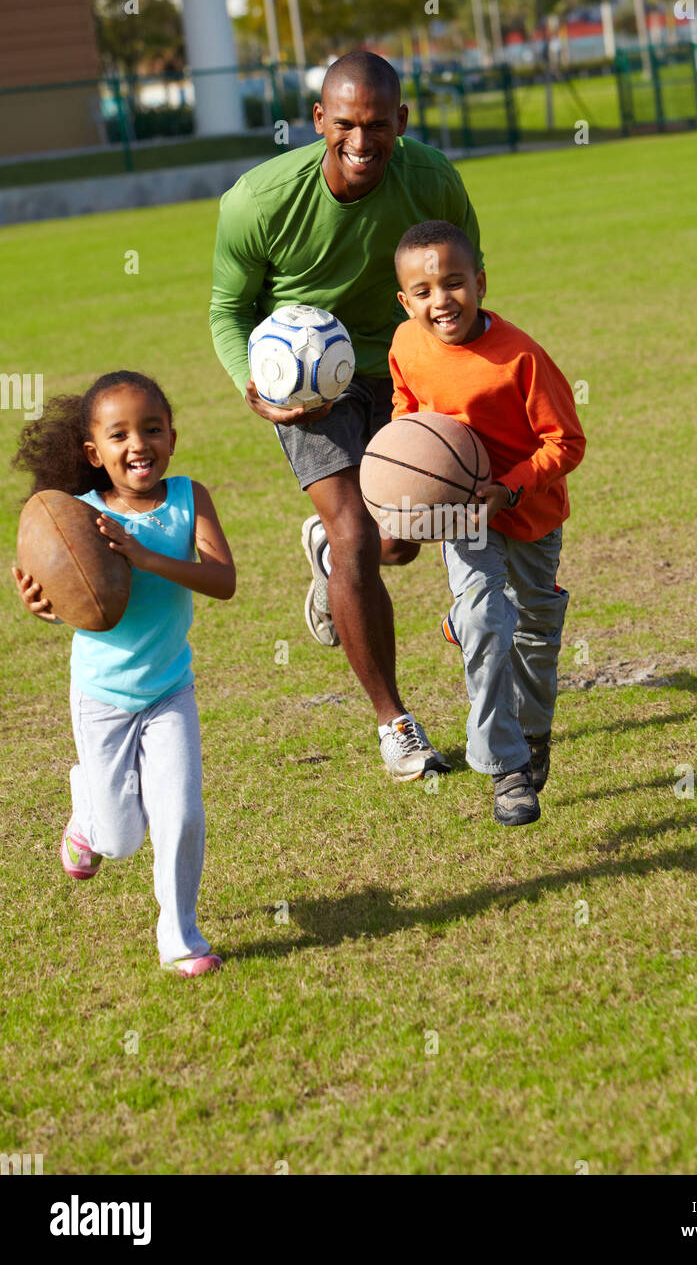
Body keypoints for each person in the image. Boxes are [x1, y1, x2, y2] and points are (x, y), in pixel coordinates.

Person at [209, 50, 482, 783]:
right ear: (319, 120)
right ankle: (396, 724)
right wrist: (252, 384)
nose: (362, 143)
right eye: (347, 125)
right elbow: (228, 309)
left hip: (399, 363)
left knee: (403, 538)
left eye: (378, 127)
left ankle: (332, 561)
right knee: (358, 531)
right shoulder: (258, 200)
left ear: (402, 120)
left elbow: (467, 278)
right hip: (304, 382)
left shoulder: (432, 180)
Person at [11, 370, 236, 975]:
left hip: (170, 690)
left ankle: (181, 939)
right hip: (102, 698)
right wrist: (43, 608)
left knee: (182, 813)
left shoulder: (191, 498)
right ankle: (87, 807)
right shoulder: (75, 516)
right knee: (119, 840)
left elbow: (224, 581)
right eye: (120, 435)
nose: (139, 444)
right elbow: (79, 604)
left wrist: (146, 557)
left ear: (172, 437)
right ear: (95, 452)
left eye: (152, 429)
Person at [390, 220, 586, 825]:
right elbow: (407, 414)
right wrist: (406, 480)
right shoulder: (405, 343)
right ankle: (505, 768)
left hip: (530, 513)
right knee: (484, 617)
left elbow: (568, 442)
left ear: (480, 281)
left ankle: (534, 736)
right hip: (460, 513)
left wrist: (507, 489)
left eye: (453, 284)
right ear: (404, 301)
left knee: (532, 633)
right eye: (422, 292)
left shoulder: (520, 357)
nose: (439, 301)